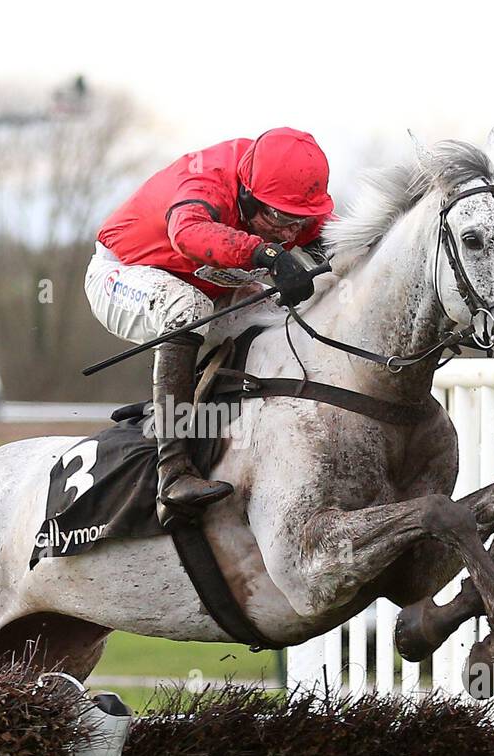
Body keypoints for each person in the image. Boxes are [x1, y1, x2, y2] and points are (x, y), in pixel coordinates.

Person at [85, 127, 334, 527]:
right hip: (122, 274)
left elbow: (340, 237)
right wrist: (265, 253)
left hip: (204, 283)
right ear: (247, 195)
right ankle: (173, 472)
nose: (291, 233)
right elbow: (186, 233)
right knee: (188, 307)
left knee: (275, 314)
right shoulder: (208, 181)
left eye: (300, 221)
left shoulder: (285, 198)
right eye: (281, 219)